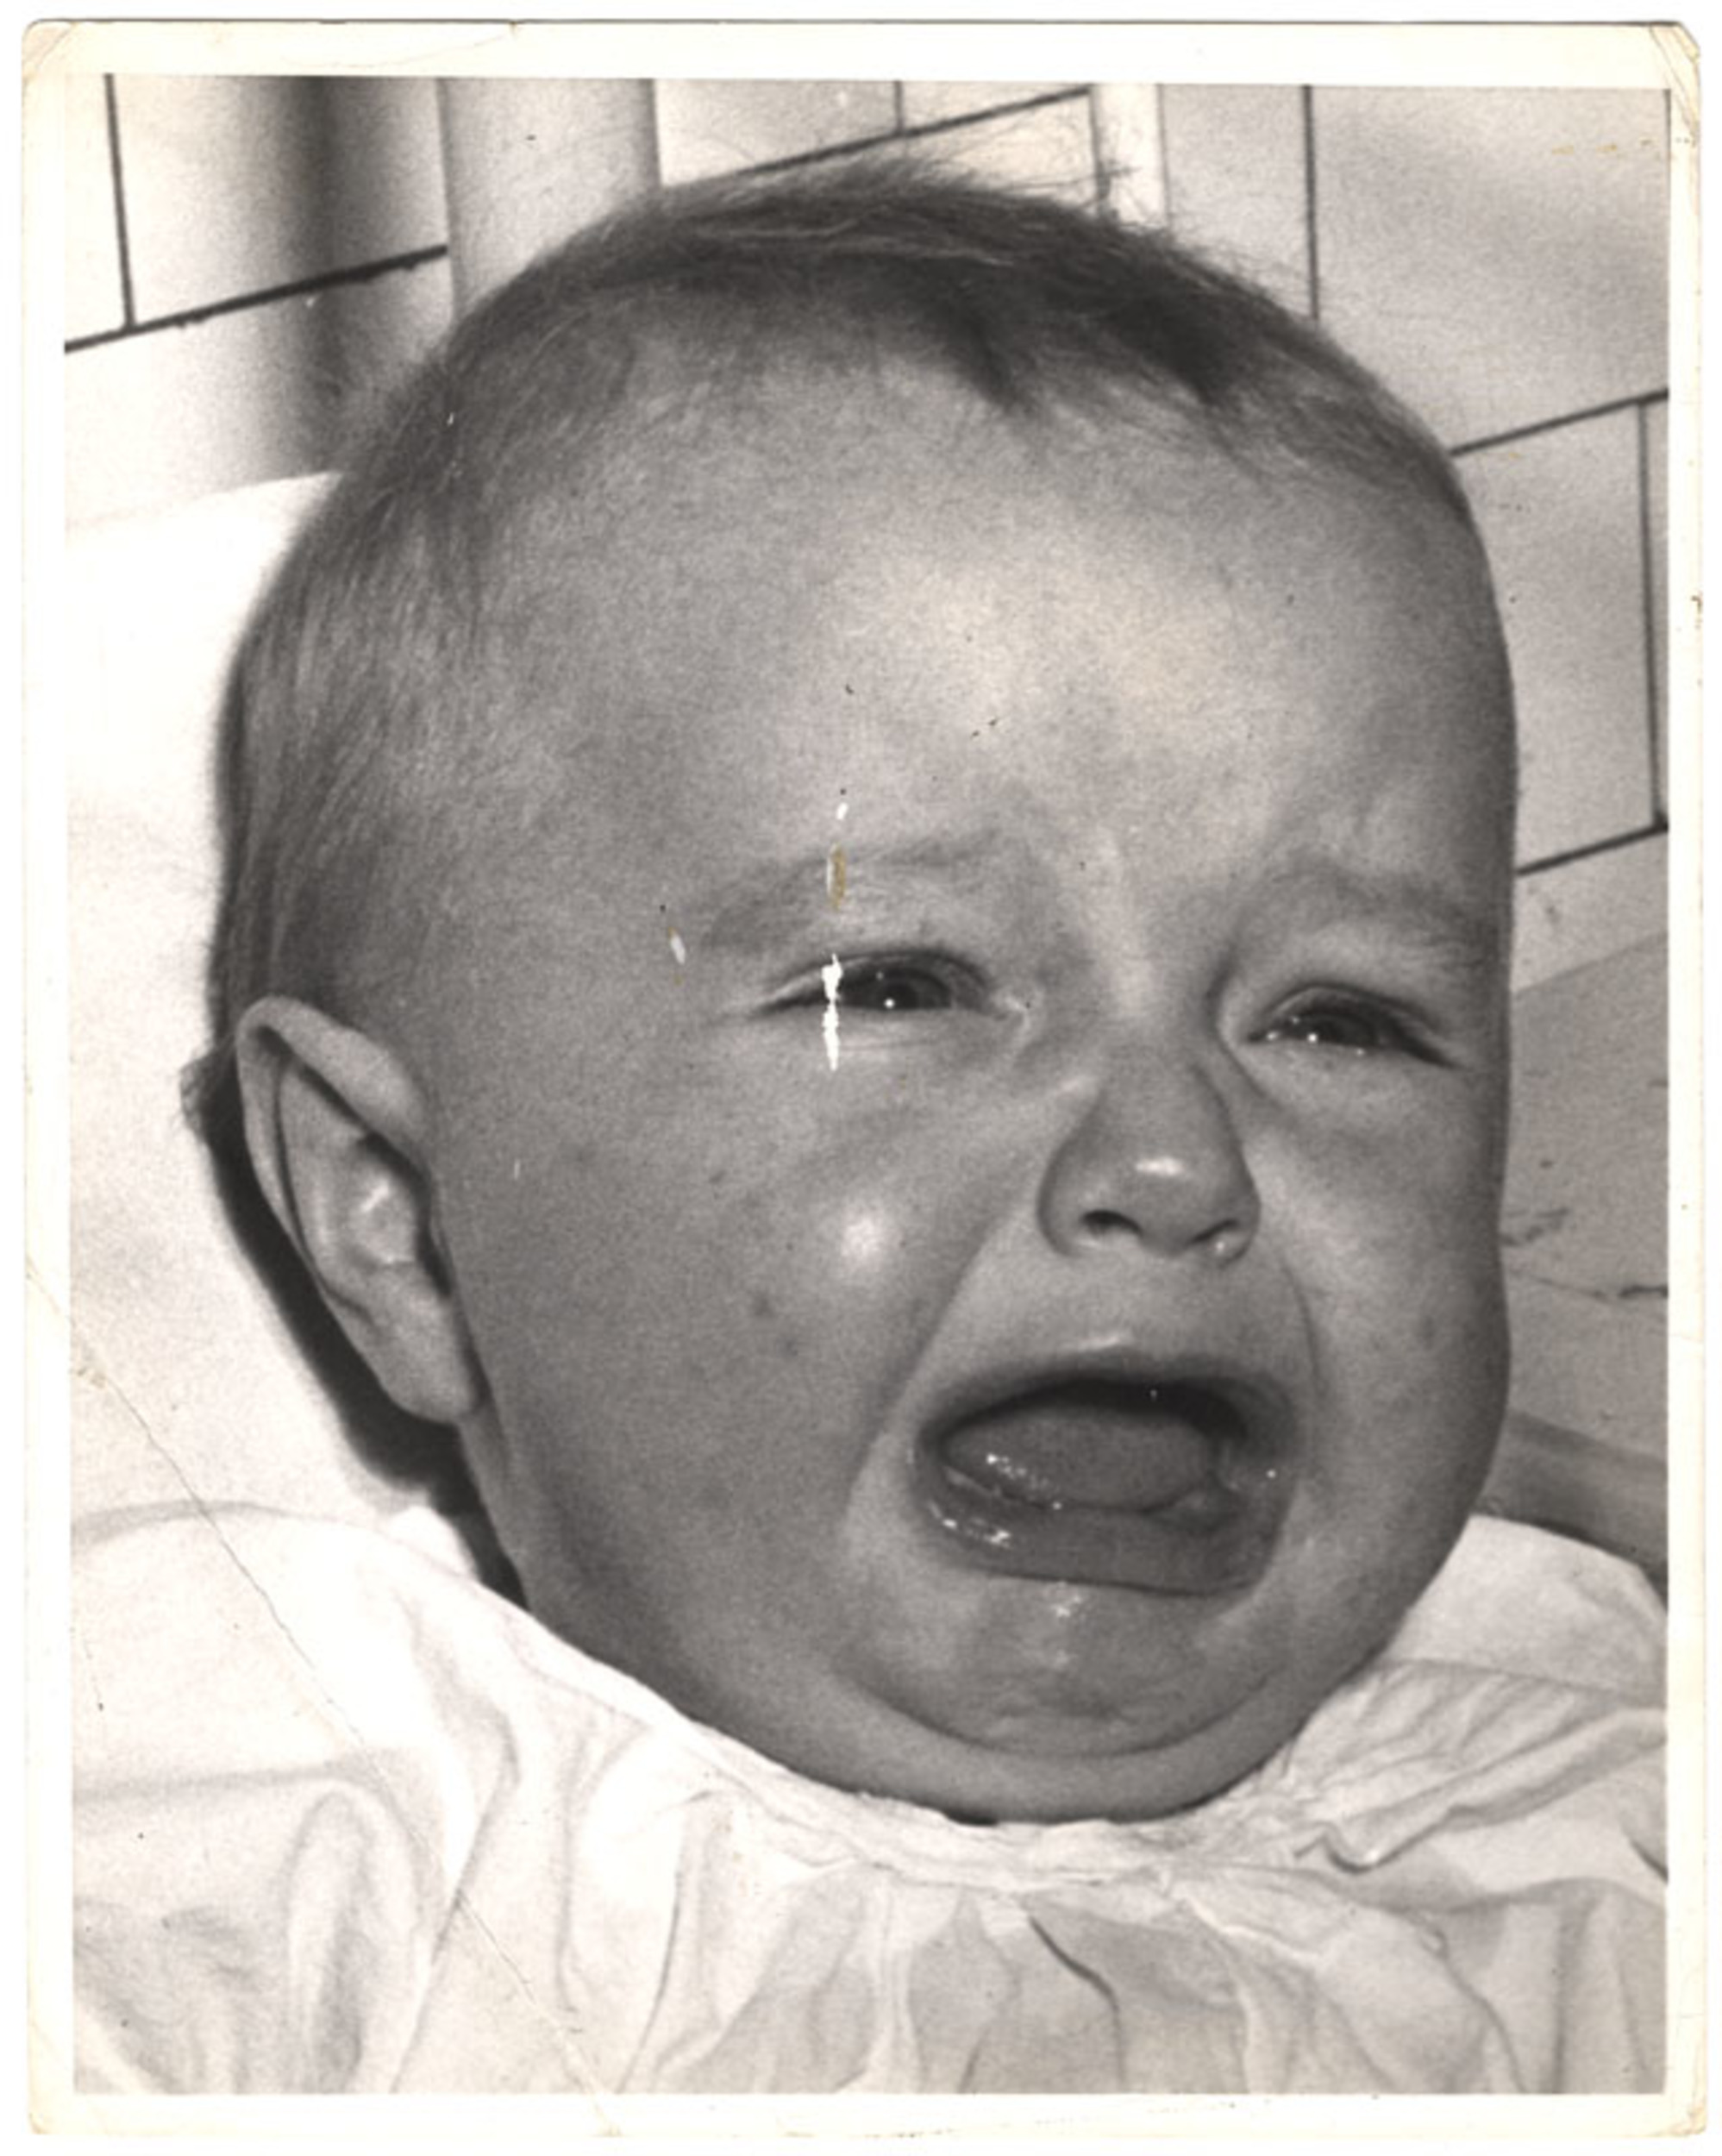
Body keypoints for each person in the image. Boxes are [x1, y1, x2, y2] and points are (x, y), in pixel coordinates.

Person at [72, 160, 1663, 2095]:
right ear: (397, 1214)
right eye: (898, 983)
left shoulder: (1616, 1796)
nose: (1175, 1159)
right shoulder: (268, 1875)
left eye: (1343, 1017)